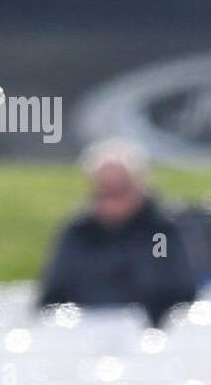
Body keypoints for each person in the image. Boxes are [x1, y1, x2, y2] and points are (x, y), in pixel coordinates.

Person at [39, 139, 196, 325]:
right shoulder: (78, 233)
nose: (112, 198)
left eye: (121, 188)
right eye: (105, 188)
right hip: (85, 333)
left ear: (140, 184)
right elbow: (53, 293)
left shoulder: (159, 233)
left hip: (149, 336)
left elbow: (176, 290)